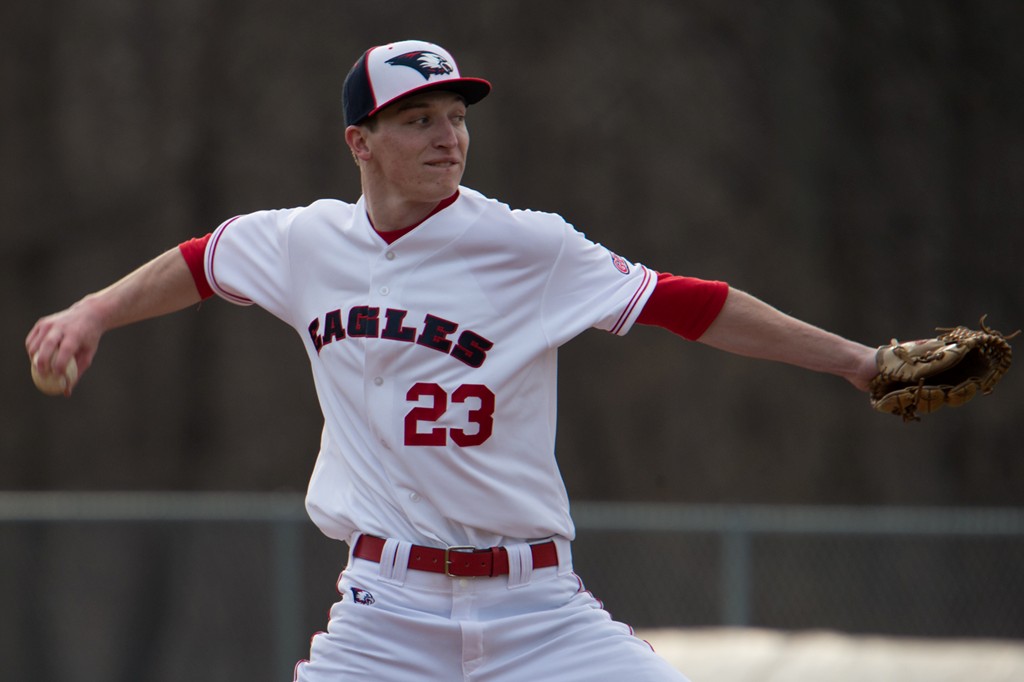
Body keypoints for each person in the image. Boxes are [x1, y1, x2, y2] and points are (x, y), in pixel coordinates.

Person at [26, 40, 878, 681]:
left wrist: (858, 363)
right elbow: (202, 262)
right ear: (360, 142)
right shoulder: (302, 242)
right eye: (419, 119)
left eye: (458, 117)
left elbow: (691, 306)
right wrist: (93, 311)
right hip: (383, 611)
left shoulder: (527, 246)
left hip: (537, 609)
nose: (449, 137)